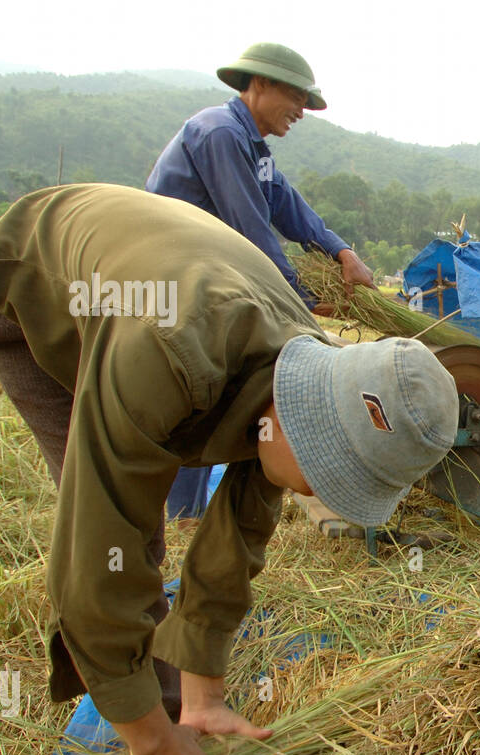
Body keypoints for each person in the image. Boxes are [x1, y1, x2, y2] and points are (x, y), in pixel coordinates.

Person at [0, 184, 457, 755]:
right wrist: (152, 745)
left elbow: (239, 535)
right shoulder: (166, 354)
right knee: (130, 546)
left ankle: (174, 715)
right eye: (332, 472)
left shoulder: (303, 374)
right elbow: (94, 563)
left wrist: (205, 695)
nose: (322, 494)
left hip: (159, 273)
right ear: (301, 414)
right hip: (44, 277)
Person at [147, 42, 375, 521]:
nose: (301, 111)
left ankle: (190, 510)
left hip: (205, 287)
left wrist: (341, 251)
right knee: (197, 393)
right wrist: (301, 300)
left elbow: (285, 205)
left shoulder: (254, 149)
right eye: (296, 97)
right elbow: (251, 231)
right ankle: (183, 515)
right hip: (173, 287)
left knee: (212, 394)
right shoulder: (220, 134)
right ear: (261, 83)